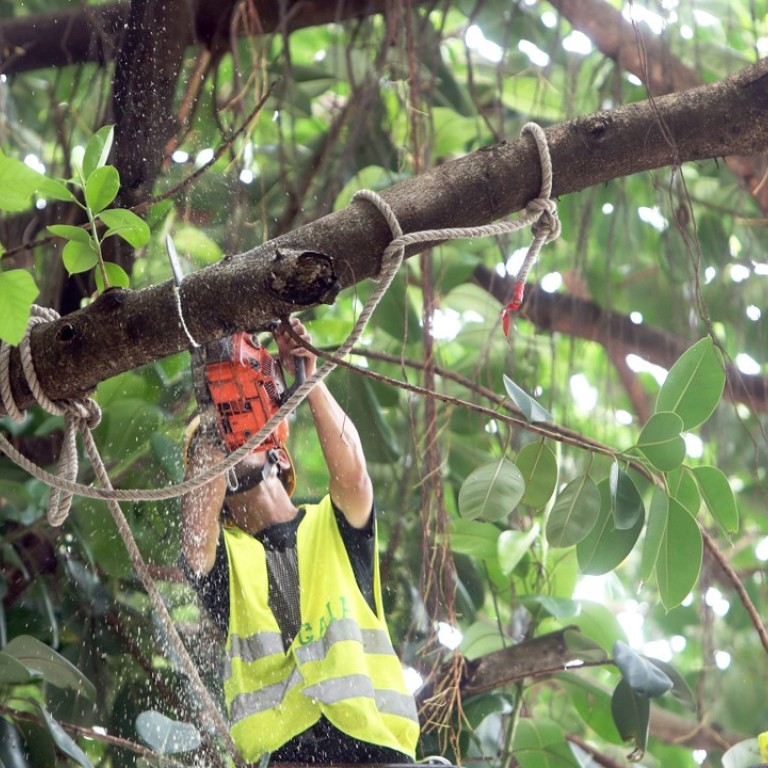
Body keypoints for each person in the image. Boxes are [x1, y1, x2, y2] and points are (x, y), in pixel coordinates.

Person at [180, 317, 420, 765]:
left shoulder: (331, 527)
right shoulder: (225, 561)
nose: (232, 441)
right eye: (211, 451)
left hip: (378, 749)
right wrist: (217, 427)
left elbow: (354, 475)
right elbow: (195, 540)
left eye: (239, 432)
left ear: (277, 451)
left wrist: (309, 377)